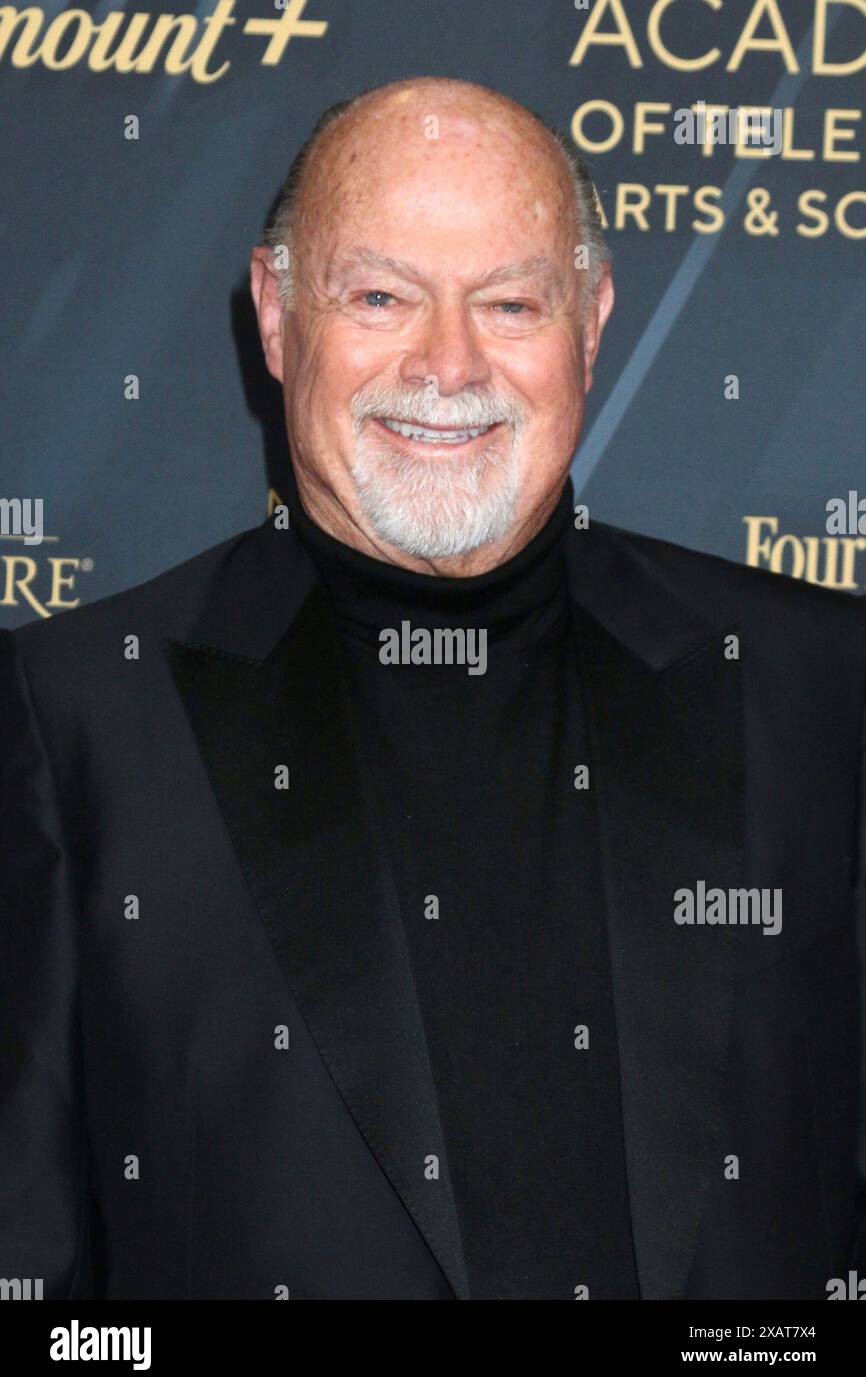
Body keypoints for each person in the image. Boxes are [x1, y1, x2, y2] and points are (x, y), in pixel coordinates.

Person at [1, 76, 864, 1301]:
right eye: (380, 296)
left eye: (509, 301)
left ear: (591, 322)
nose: (446, 364)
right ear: (277, 313)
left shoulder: (819, 689)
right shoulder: (73, 715)